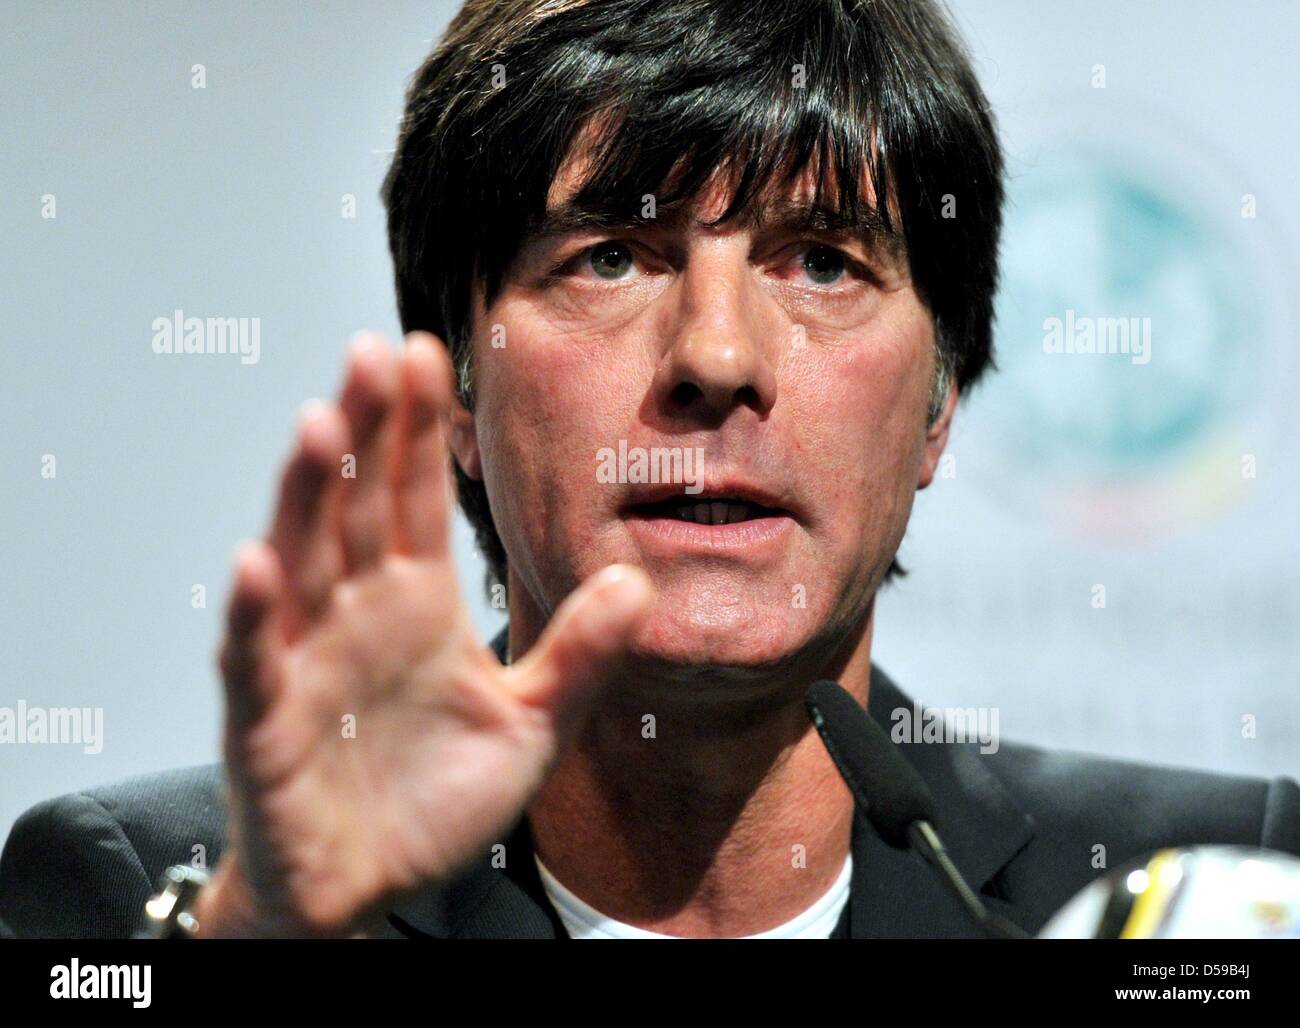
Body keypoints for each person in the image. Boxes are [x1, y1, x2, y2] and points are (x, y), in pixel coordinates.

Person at [2, 0, 1297, 940]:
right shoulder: (134, 893)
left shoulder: (1206, 897)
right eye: (613, 256)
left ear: (940, 407)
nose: (718, 356)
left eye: (823, 263)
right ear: (457, 384)